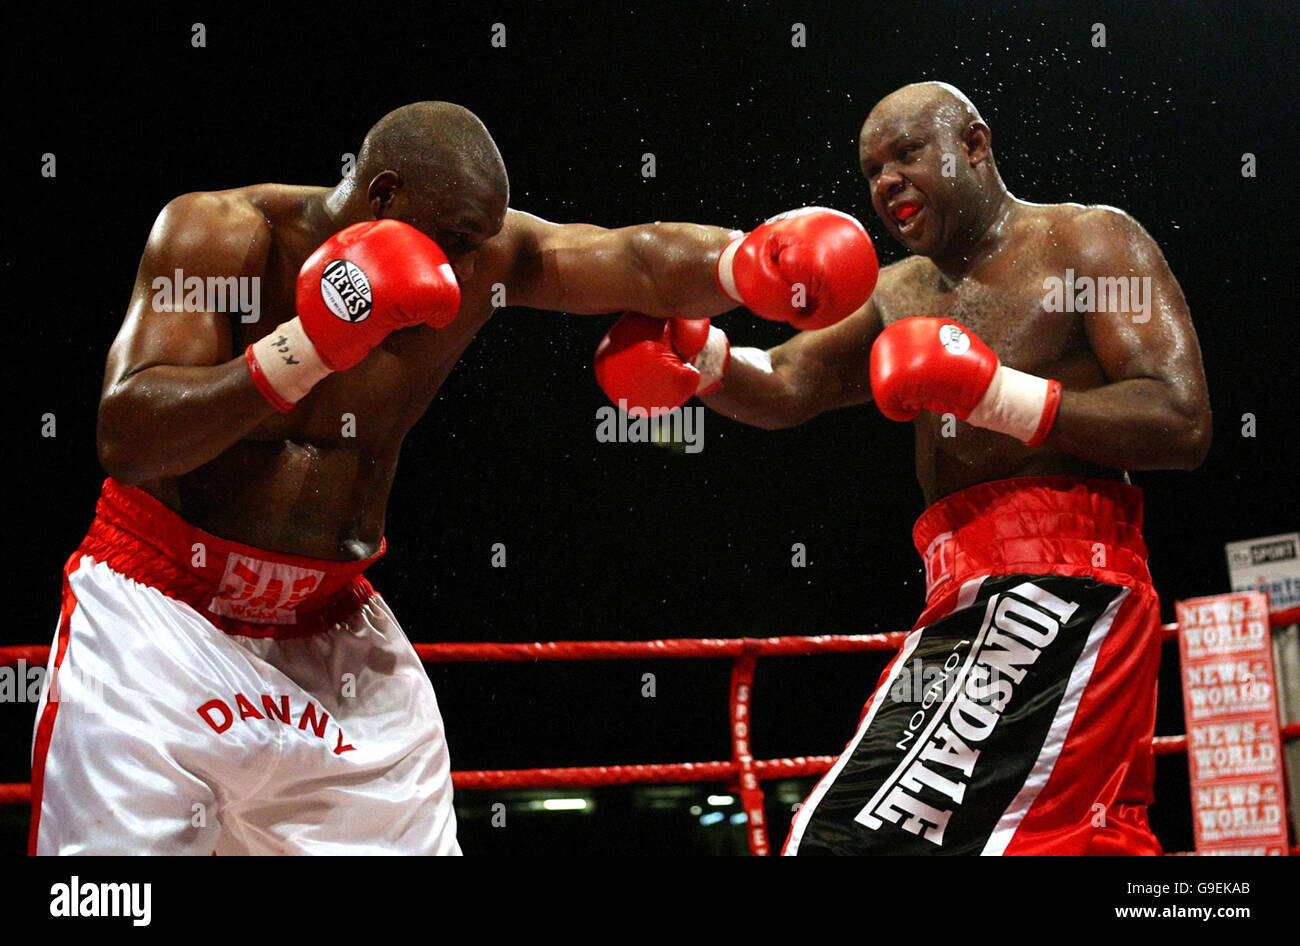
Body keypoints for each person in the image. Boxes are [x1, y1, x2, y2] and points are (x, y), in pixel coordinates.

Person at [30, 101, 875, 855]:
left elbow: (631, 258)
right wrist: (306, 348)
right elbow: (127, 438)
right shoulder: (220, 234)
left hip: (329, 624)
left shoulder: (483, 257)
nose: (469, 265)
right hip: (164, 614)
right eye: (459, 237)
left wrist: (748, 263)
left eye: (482, 238)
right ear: (383, 194)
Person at [594, 82, 1212, 855]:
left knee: (846, 841)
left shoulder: (1088, 243)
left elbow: (1180, 421)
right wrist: (698, 358)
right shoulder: (899, 292)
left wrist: (998, 396)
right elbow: (788, 384)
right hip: (958, 590)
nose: (885, 182)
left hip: (1061, 585)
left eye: (906, 153)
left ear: (976, 146)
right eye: (870, 170)